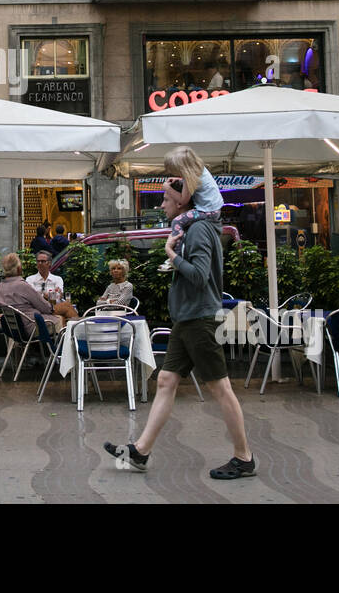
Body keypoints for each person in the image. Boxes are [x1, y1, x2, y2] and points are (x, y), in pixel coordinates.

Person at [104, 178, 255, 480]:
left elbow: (199, 275)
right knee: (165, 380)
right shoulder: (193, 229)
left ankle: (244, 457)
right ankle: (141, 451)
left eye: (165, 199)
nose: (161, 205)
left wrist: (172, 255)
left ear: (182, 201)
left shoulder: (198, 230)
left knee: (221, 388)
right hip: (187, 319)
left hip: (199, 319)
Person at [0, 253, 60, 335]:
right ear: (19, 268)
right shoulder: (22, 285)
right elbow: (45, 308)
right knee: (60, 319)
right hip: (30, 326)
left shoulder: (0, 286)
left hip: (12, 328)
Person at [164, 146, 224, 228]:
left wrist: (167, 188)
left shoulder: (188, 178)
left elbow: (182, 200)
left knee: (176, 222)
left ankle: (176, 240)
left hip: (207, 212)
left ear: (182, 169)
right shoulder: (200, 169)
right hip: (215, 210)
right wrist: (179, 179)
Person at [26, 251, 80, 321]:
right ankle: (79, 328)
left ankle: (73, 329)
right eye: (38, 261)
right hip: (37, 309)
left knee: (62, 317)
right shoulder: (30, 279)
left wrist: (47, 296)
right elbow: (32, 297)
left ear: (49, 263)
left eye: (43, 261)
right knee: (67, 306)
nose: (39, 263)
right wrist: (46, 296)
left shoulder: (57, 279)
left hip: (53, 308)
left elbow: (58, 296)